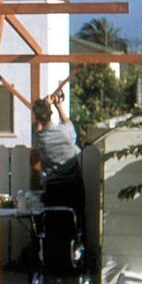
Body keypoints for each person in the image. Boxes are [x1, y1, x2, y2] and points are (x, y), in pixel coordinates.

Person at [31, 91, 88, 262]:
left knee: (54, 228)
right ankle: (78, 258)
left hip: (54, 189)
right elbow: (68, 123)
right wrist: (58, 106)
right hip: (74, 187)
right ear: (50, 114)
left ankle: (54, 262)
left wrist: (45, 106)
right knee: (76, 225)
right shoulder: (66, 132)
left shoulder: (40, 139)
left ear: (37, 117)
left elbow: (38, 132)